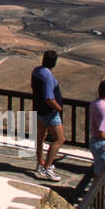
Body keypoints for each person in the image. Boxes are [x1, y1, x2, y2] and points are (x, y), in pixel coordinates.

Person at [32, 50, 65, 182]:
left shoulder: (36, 71)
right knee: (59, 139)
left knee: (40, 138)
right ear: (54, 62)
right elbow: (49, 98)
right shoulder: (48, 77)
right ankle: (47, 167)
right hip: (49, 113)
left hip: (38, 110)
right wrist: (58, 107)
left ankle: (40, 164)